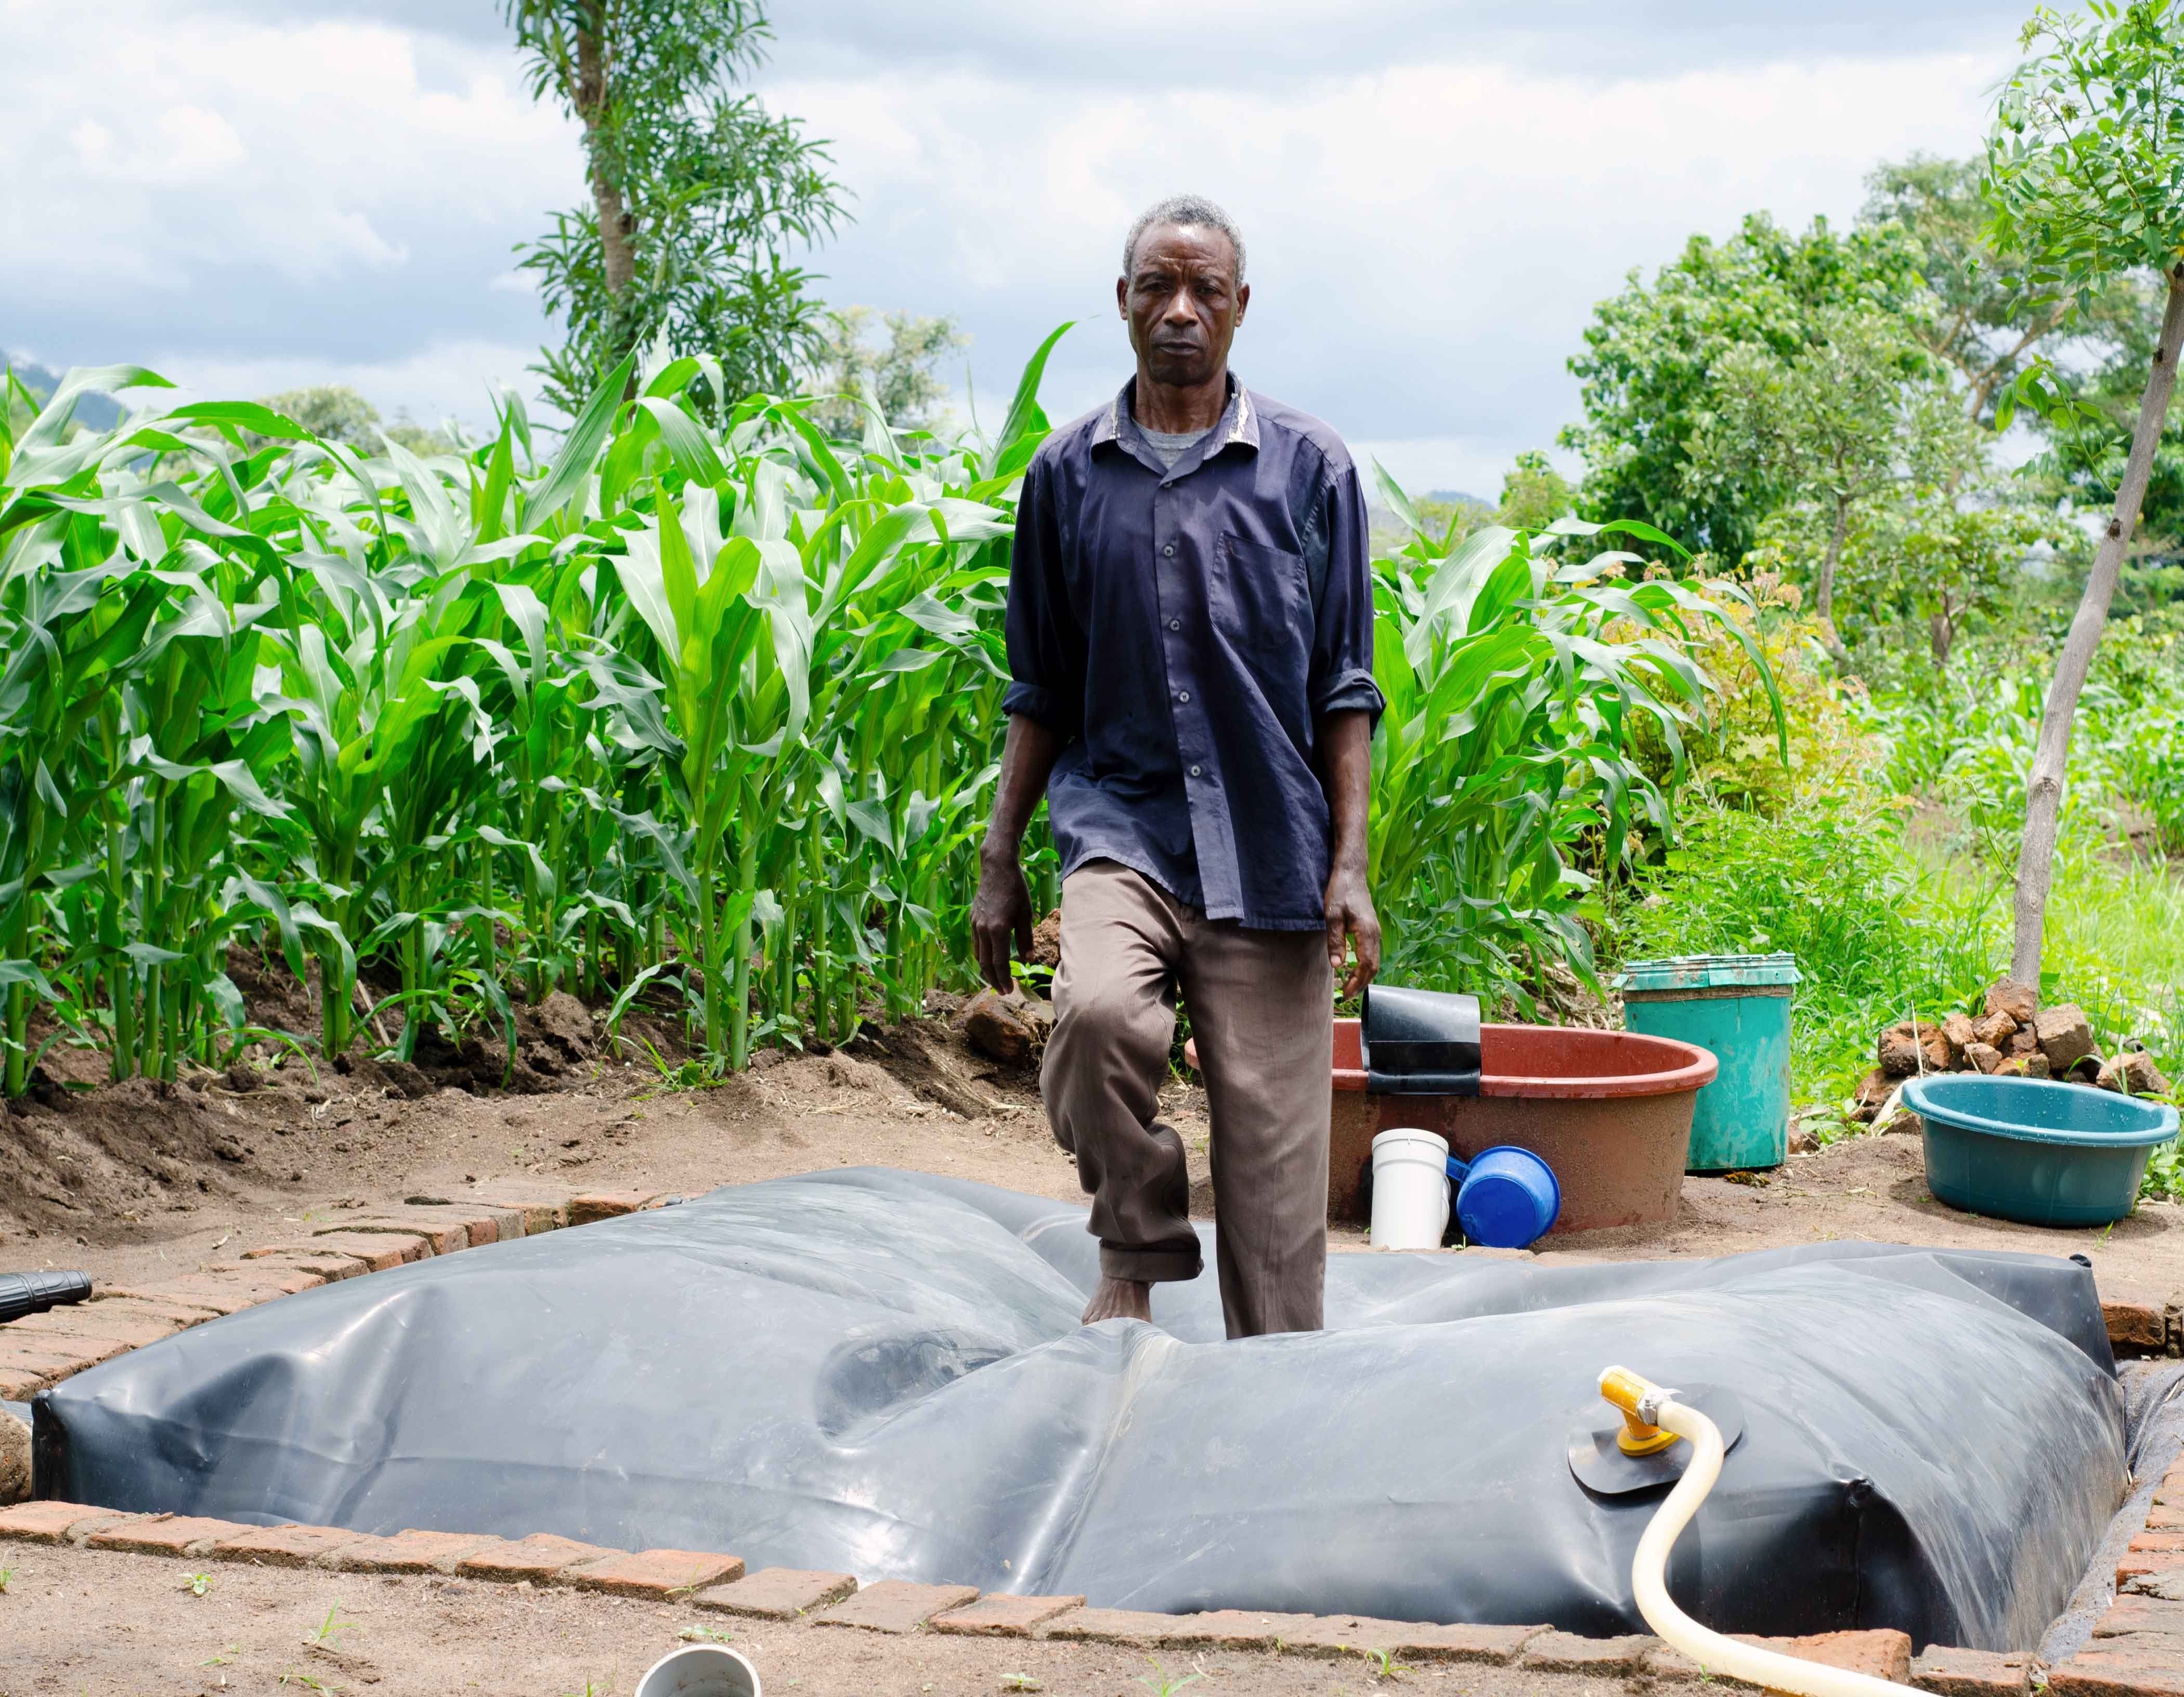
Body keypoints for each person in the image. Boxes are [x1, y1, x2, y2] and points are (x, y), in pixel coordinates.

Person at [971, 192, 1383, 1340]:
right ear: (1123, 302)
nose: (1181, 310)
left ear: (1242, 309)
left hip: (1271, 848)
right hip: (1124, 831)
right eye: (1158, 285)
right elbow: (1040, 686)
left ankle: (1274, 1411)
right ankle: (1136, 1249)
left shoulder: (1311, 471)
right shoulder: (1065, 477)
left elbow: (1344, 688)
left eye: (1206, 290)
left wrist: (1350, 866)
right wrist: (1001, 856)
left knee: (1277, 1215)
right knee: (1097, 1020)